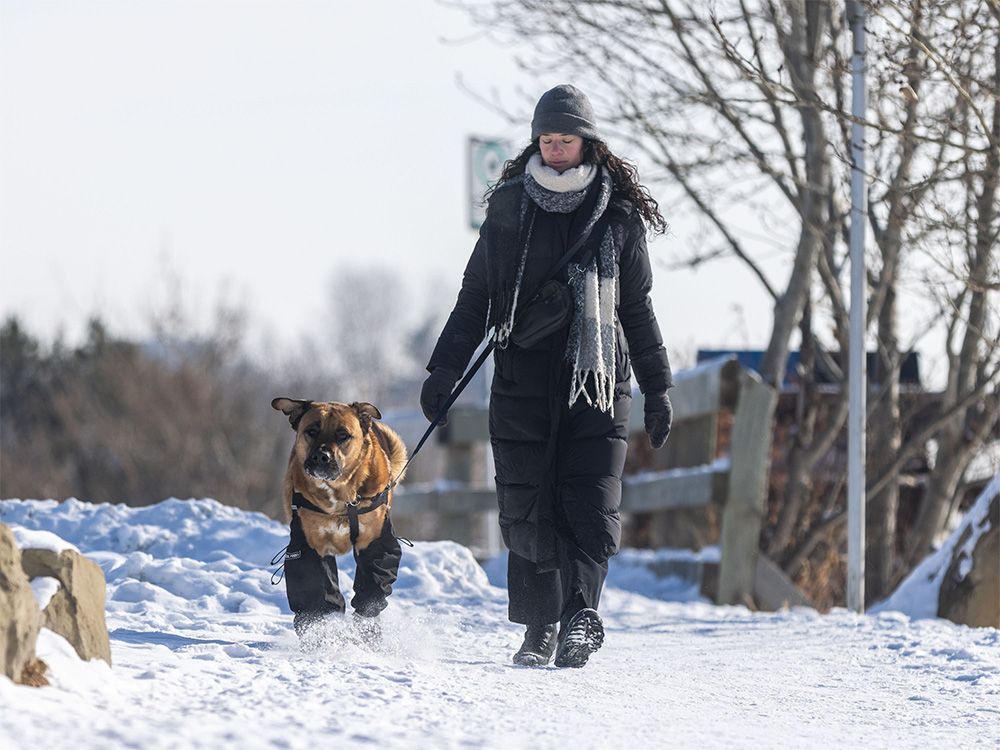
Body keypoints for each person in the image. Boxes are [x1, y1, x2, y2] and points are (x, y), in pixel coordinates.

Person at [421, 84, 674, 668]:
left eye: (567, 140)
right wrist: (444, 370)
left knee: (590, 499)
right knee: (529, 502)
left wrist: (658, 388)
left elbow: (637, 308)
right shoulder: (510, 209)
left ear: (588, 143)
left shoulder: (617, 216)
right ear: (536, 141)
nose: (557, 149)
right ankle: (539, 628)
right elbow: (476, 296)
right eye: (548, 139)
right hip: (523, 380)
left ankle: (580, 615)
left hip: (598, 381)